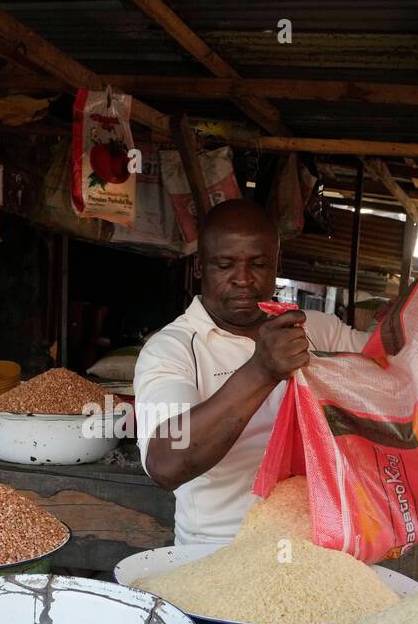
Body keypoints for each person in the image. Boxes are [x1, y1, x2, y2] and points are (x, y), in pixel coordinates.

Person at [134, 199, 369, 545]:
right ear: (200, 267)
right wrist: (261, 371)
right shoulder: (173, 349)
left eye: (258, 264)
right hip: (218, 553)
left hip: (318, 549)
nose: (243, 279)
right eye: (225, 265)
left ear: (276, 264)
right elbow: (166, 463)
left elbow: (390, 362)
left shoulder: (312, 329)